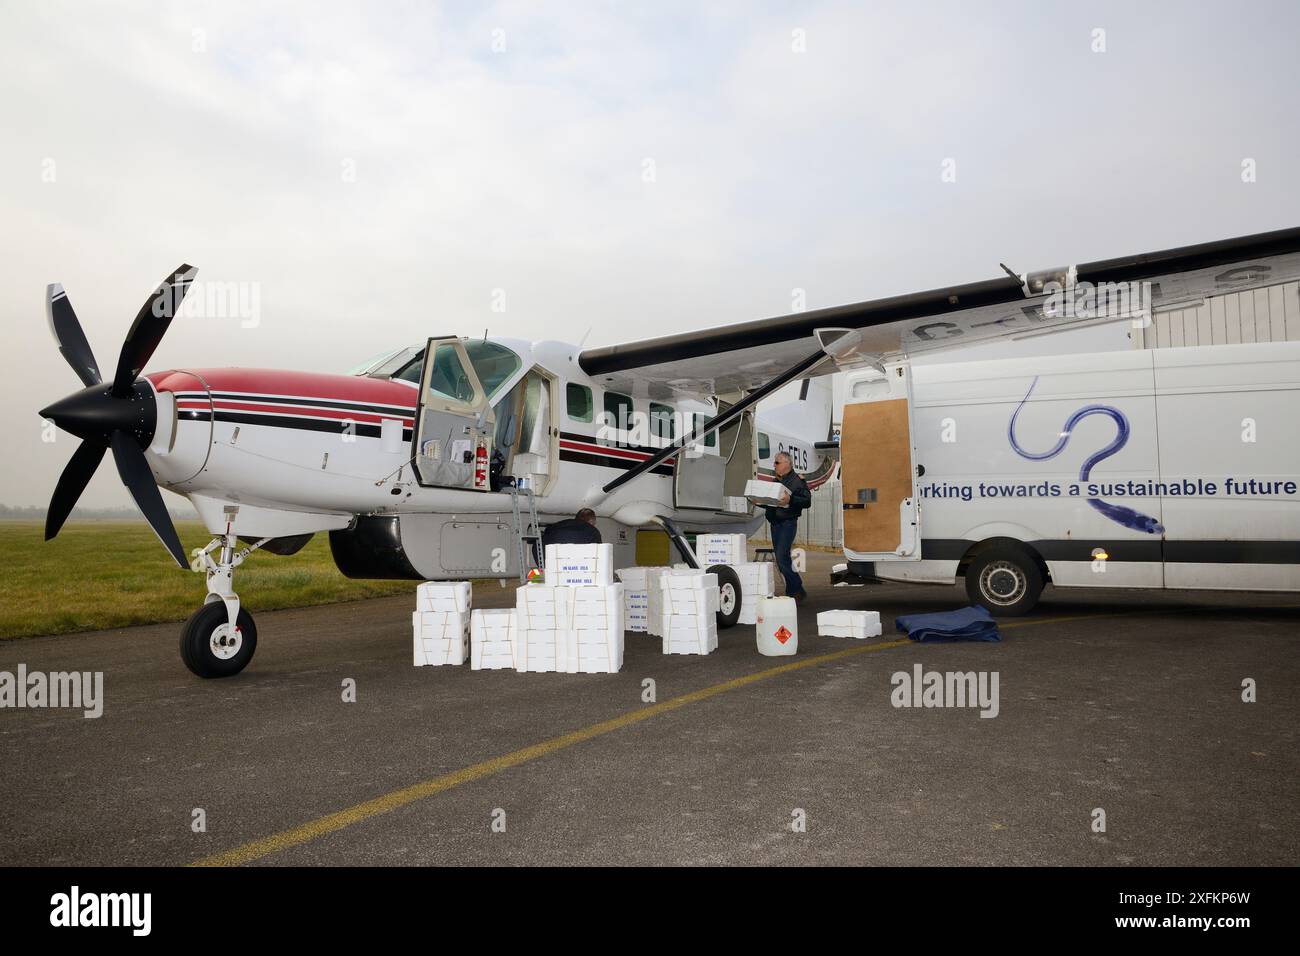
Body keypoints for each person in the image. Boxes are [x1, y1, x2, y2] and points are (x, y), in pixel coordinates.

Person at [755, 452, 811, 602]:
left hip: (787, 523)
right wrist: (759, 501)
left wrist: (791, 499)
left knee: (781, 557)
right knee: (782, 559)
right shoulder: (776, 481)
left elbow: (807, 501)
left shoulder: (797, 480)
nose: (774, 465)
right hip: (775, 523)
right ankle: (795, 591)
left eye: (777, 462)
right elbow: (771, 501)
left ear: (787, 463)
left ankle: (796, 588)